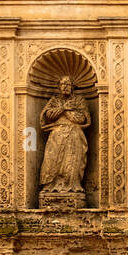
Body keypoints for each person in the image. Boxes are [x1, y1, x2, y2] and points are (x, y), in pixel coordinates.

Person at [38, 75, 91, 203]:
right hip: (56, 134)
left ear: (72, 87)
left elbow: (81, 118)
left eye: (68, 84)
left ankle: (72, 187)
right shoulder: (54, 100)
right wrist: (64, 108)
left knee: (72, 161)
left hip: (74, 135)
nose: (65, 87)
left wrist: (64, 112)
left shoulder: (79, 100)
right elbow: (48, 116)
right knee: (51, 161)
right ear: (59, 86)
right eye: (63, 84)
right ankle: (50, 186)